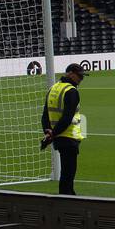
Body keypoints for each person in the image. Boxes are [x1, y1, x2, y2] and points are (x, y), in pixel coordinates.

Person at [42, 63, 88, 196]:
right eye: (79, 76)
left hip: (58, 136)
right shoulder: (71, 91)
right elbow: (67, 118)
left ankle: (68, 194)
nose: (81, 79)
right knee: (68, 172)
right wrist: (53, 133)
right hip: (68, 136)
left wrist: (48, 132)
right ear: (70, 73)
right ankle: (66, 198)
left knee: (66, 171)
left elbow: (45, 115)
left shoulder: (53, 88)